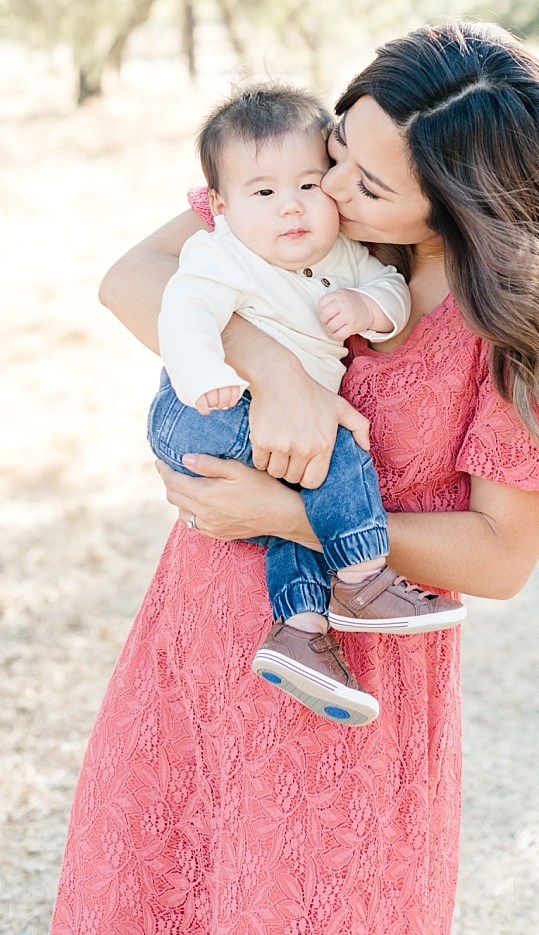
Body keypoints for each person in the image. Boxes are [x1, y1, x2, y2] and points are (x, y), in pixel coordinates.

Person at [52, 22, 539, 933]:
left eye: (368, 183)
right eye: (338, 149)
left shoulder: (537, 335)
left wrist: (286, 511)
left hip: (352, 685)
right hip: (200, 636)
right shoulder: (303, 205)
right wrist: (278, 375)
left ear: (457, 203)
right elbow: (135, 276)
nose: (328, 188)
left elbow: (500, 556)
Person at [153, 83, 462, 730]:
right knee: (335, 449)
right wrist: (211, 372)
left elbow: (388, 287)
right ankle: (362, 575)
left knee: (300, 488)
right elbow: (183, 311)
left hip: (252, 419)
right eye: (263, 193)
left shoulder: (344, 254)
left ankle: (301, 628)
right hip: (204, 407)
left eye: (310, 185)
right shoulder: (221, 250)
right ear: (219, 204)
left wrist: (368, 309)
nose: (290, 208)